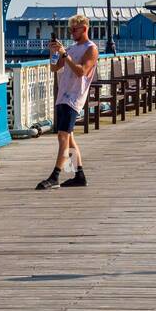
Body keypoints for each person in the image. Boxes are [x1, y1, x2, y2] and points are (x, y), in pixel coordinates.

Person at [37, 14, 99, 190]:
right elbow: (54, 67)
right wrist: (54, 53)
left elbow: (81, 71)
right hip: (63, 95)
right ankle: (78, 174)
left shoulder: (91, 49)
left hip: (74, 97)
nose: (71, 32)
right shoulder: (71, 49)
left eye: (74, 29)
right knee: (68, 136)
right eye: (70, 29)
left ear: (84, 29)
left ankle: (55, 175)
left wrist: (66, 55)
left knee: (62, 135)